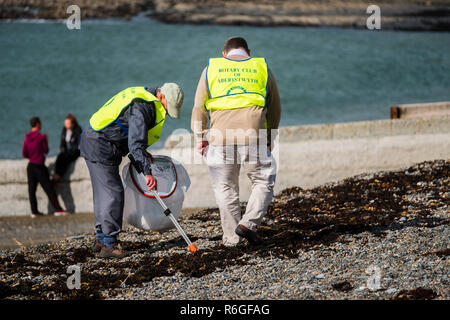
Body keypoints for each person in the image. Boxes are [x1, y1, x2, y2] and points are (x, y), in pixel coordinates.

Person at [191, 37, 281, 247]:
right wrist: (269, 138)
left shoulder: (211, 68)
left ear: (225, 54)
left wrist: (200, 137)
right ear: (248, 52)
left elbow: (198, 108)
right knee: (263, 180)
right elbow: (275, 108)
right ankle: (249, 223)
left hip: (220, 137)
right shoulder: (262, 67)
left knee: (225, 187)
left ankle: (233, 239)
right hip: (253, 134)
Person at [80, 84, 184, 258]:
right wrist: (147, 172)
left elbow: (132, 139)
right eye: (167, 108)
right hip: (100, 144)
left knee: (103, 193)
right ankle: (109, 244)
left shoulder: (143, 96)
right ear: (162, 97)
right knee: (113, 193)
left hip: (93, 138)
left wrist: (143, 156)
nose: (166, 112)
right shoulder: (143, 107)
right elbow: (135, 143)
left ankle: (101, 239)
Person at [22, 117, 67, 218]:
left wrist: (32, 156)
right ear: (38, 124)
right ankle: (58, 209)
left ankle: (34, 212)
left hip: (30, 166)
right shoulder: (41, 137)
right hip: (39, 166)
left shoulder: (27, 137)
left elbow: (24, 154)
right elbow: (46, 150)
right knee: (49, 189)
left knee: (31, 190)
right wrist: (46, 140)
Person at [53, 113, 82, 183]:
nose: (66, 125)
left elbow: (78, 143)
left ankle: (59, 176)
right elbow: (62, 141)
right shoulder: (64, 130)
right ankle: (57, 174)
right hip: (67, 150)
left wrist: (71, 150)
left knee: (66, 159)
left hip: (75, 151)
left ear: (72, 124)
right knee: (59, 157)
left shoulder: (78, 130)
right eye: (65, 124)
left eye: (68, 124)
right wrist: (62, 147)